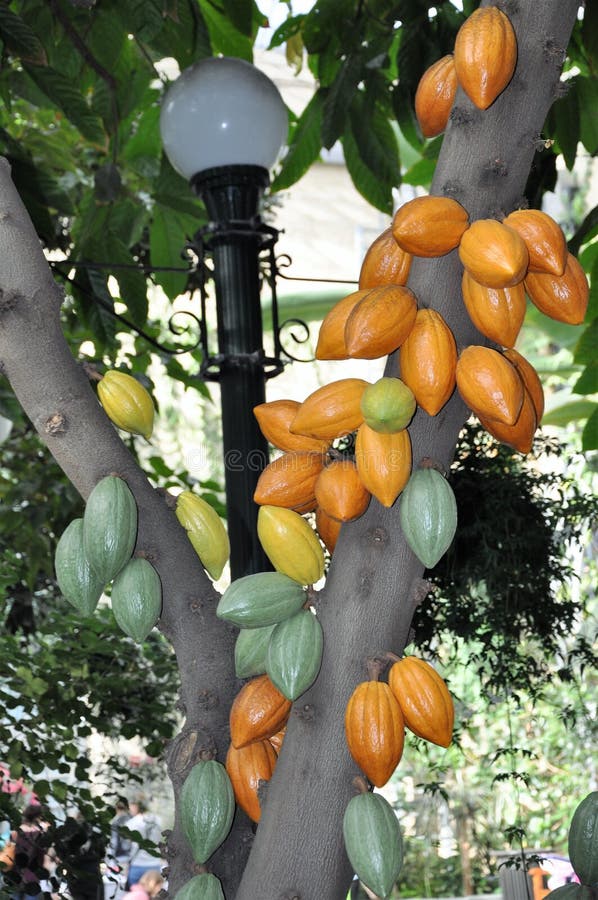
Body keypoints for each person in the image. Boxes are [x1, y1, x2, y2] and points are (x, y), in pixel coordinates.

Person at [53, 813, 106, 900]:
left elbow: (62, 855)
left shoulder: (70, 838)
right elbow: (102, 854)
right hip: (92, 876)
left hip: (76, 877)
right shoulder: (95, 837)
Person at [7, 803, 52, 900]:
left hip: (16, 872)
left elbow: (12, 844)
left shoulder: (20, 828)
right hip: (32, 875)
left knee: (13, 895)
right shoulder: (41, 832)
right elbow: (43, 854)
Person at [123, 796, 163, 888]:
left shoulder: (131, 823)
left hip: (137, 865)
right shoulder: (158, 821)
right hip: (154, 865)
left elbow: (126, 846)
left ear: (137, 806)